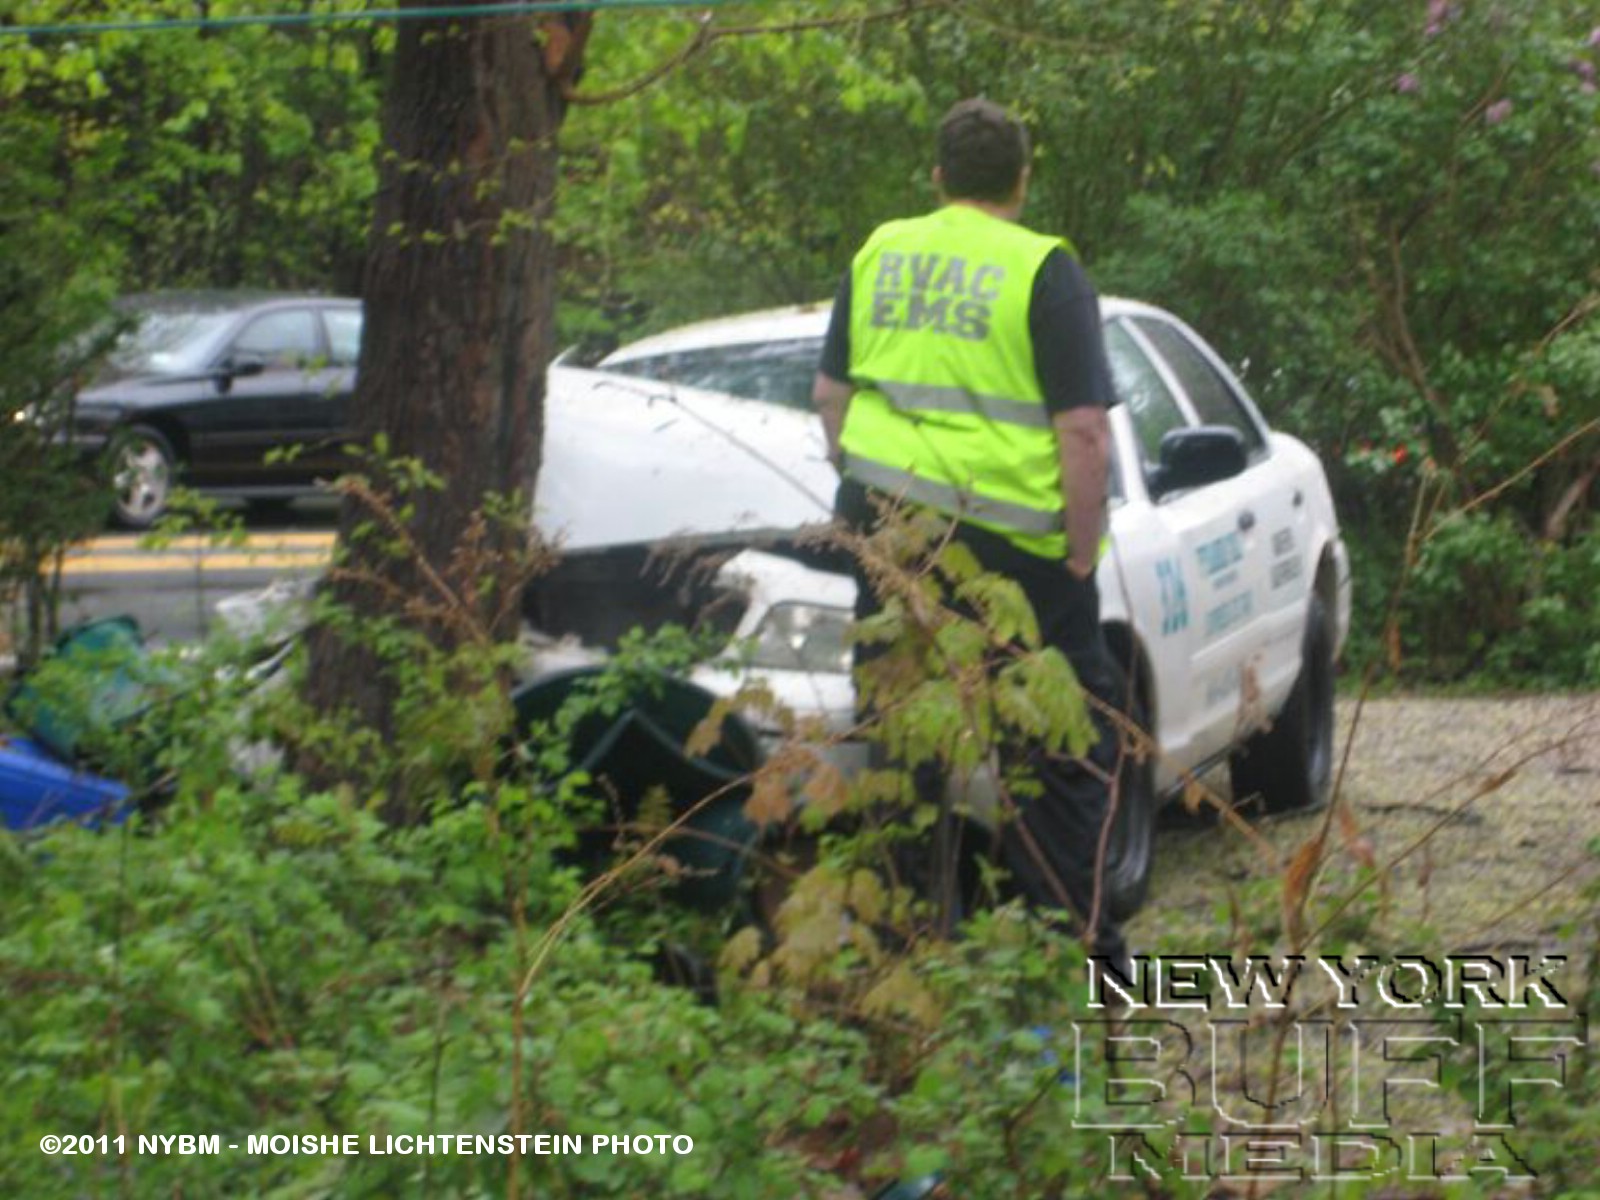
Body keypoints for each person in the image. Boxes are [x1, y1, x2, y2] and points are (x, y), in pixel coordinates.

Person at [811, 97, 1128, 965]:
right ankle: (1067, 955)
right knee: (1061, 744)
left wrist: (862, 485)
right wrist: (1080, 549)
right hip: (1017, 552)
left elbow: (831, 399)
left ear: (938, 177)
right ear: (1022, 181)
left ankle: (912, 954)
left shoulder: (880, 252)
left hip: (889, 536)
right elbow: (1084, 432)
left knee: (902, 735)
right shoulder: (1044, 270)